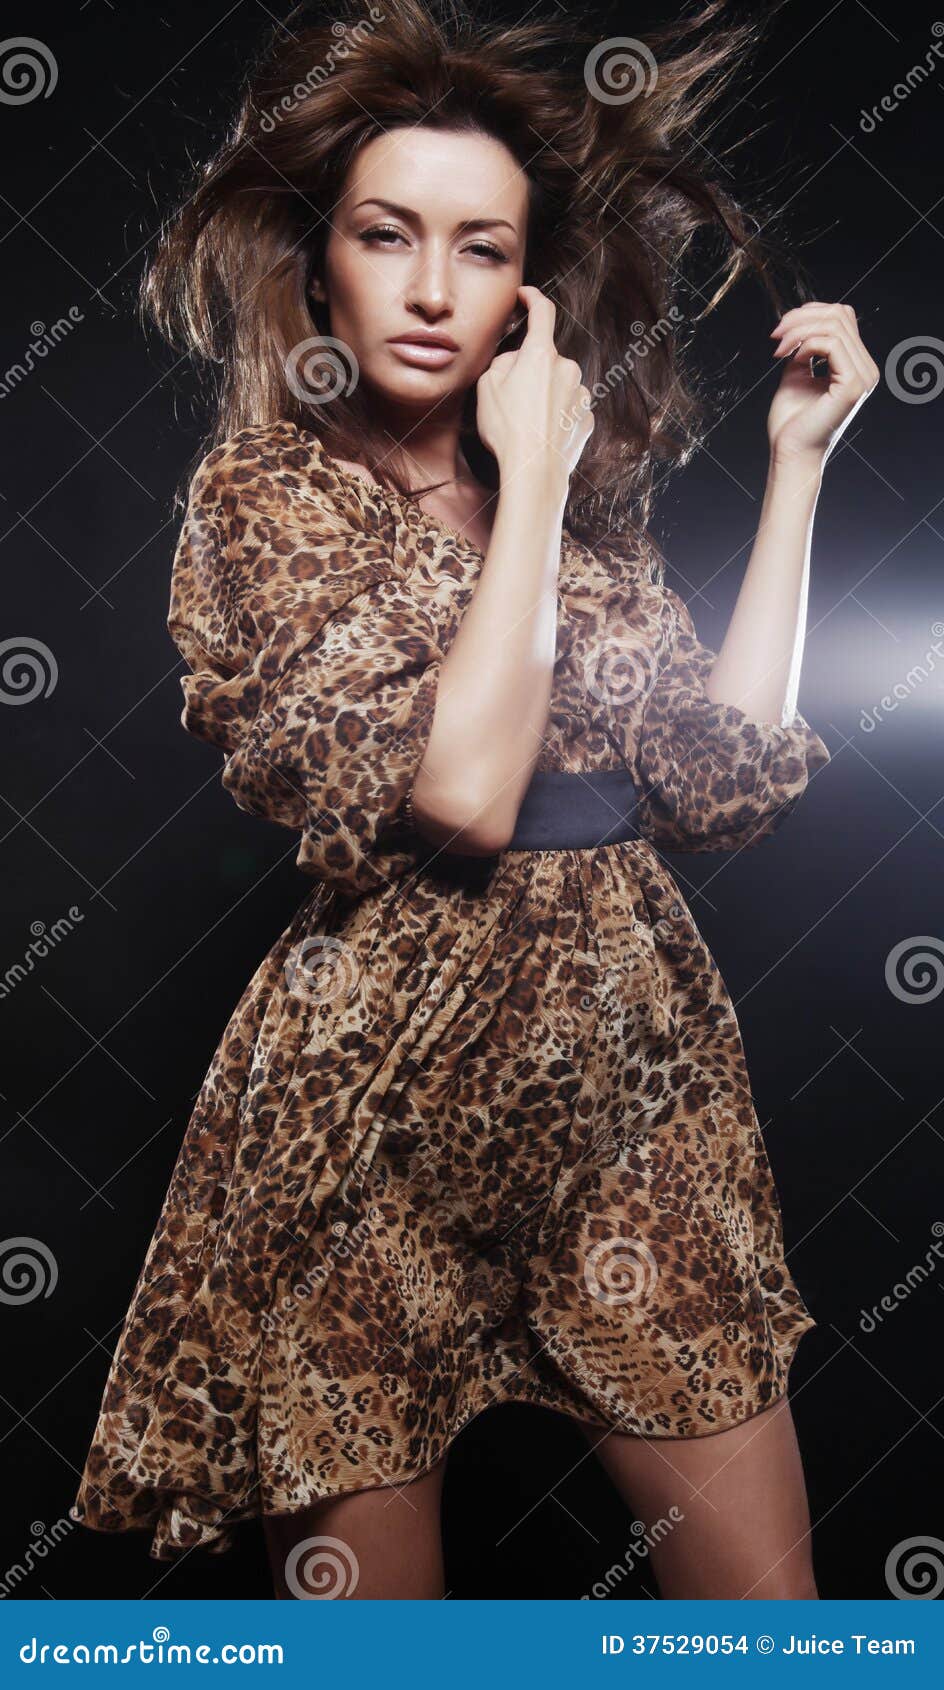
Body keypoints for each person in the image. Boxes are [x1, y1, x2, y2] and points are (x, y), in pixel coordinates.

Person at [69, 0, 878, 1599]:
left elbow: (722, 788)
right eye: (387, 235)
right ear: (321, 263)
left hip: (637, 1099)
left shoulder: (567, 505)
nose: (433, 290)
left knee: (772, 1635)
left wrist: (797, 466)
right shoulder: (267, 496)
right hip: (369, 1117)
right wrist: (533, 489)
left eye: (482, 248)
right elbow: (459, 795)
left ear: (529, 286)